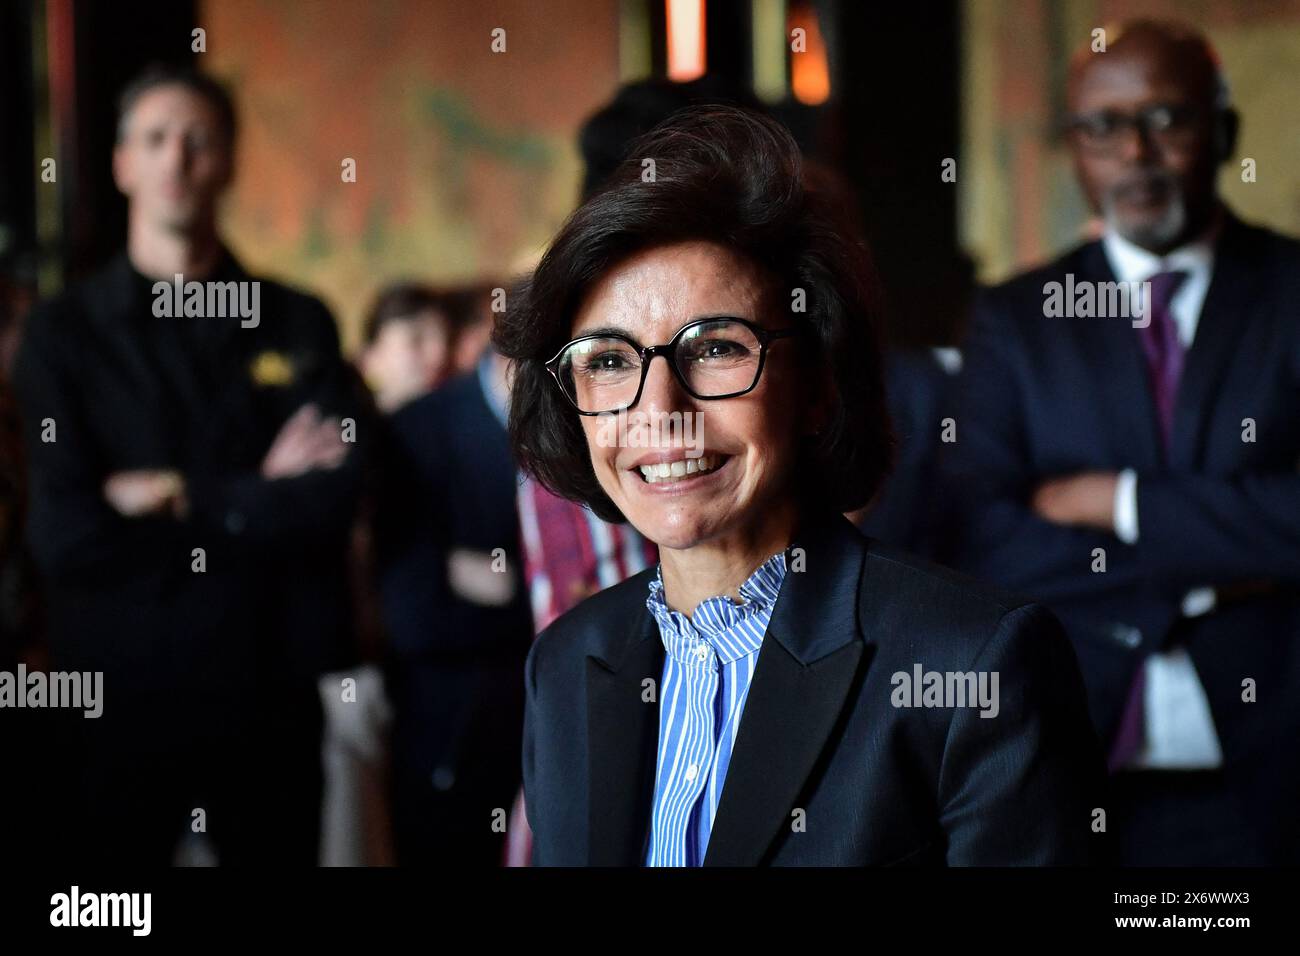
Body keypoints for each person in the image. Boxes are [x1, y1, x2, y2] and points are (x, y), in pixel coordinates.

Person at [495, 105, 1102, 866]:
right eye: (609, 360)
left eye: (715, 348)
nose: (660, 414)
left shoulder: (970, 663)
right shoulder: (568, 663)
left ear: (816, 385)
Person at [945, 20, 1300, 864]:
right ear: (1075, 149)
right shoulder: (1015, 320)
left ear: (1223, 134)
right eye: (1102, 127)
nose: (1135, 152)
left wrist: (1119, 503)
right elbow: (980, 539)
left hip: (1278, 772)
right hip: (1078, 763)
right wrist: (1233, 559)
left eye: (1166, 118)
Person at [14, 64, 366, 864]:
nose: (177, 159)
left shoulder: (297, 320)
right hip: (115, 704)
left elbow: (333, 500)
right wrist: (255, 492)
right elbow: (65, 535)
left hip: (267, 699)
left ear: (231, 161)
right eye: (156, 139)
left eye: (199, 140)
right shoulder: (63, 336)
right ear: (123, 163)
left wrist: (169, 494)